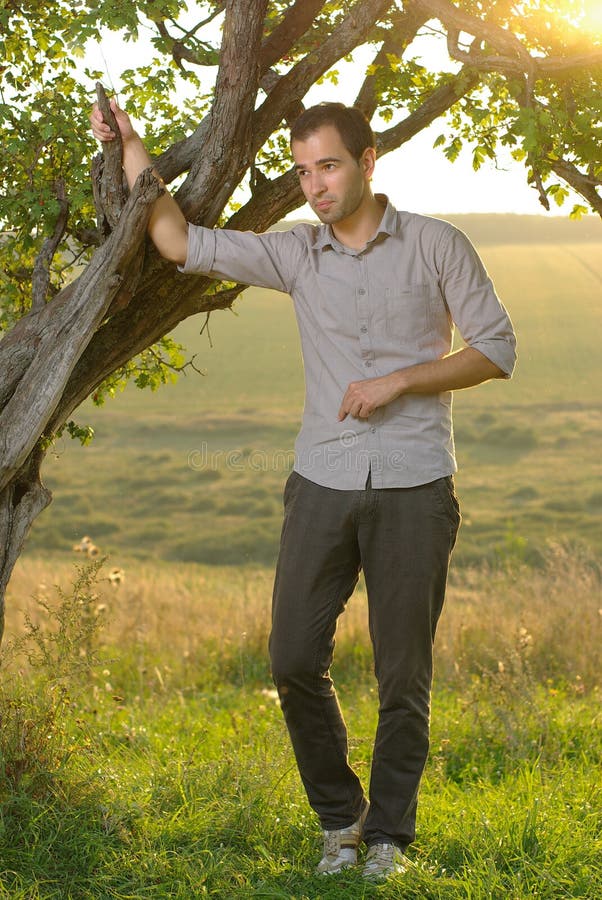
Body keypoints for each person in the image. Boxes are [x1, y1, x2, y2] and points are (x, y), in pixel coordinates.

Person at [91, 100, 516, 881]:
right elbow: (176, 240)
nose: (315, 186)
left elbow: (496, 347)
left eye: (328, 166)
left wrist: (399, 381)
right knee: (291, 656)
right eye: (303, 172)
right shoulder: (296, 255)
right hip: (320, 479)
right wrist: (132, 150)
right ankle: (339, 821)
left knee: (402, 675)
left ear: (368, 160)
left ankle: (388, 836)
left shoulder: (435, 244)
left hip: (416, 484)